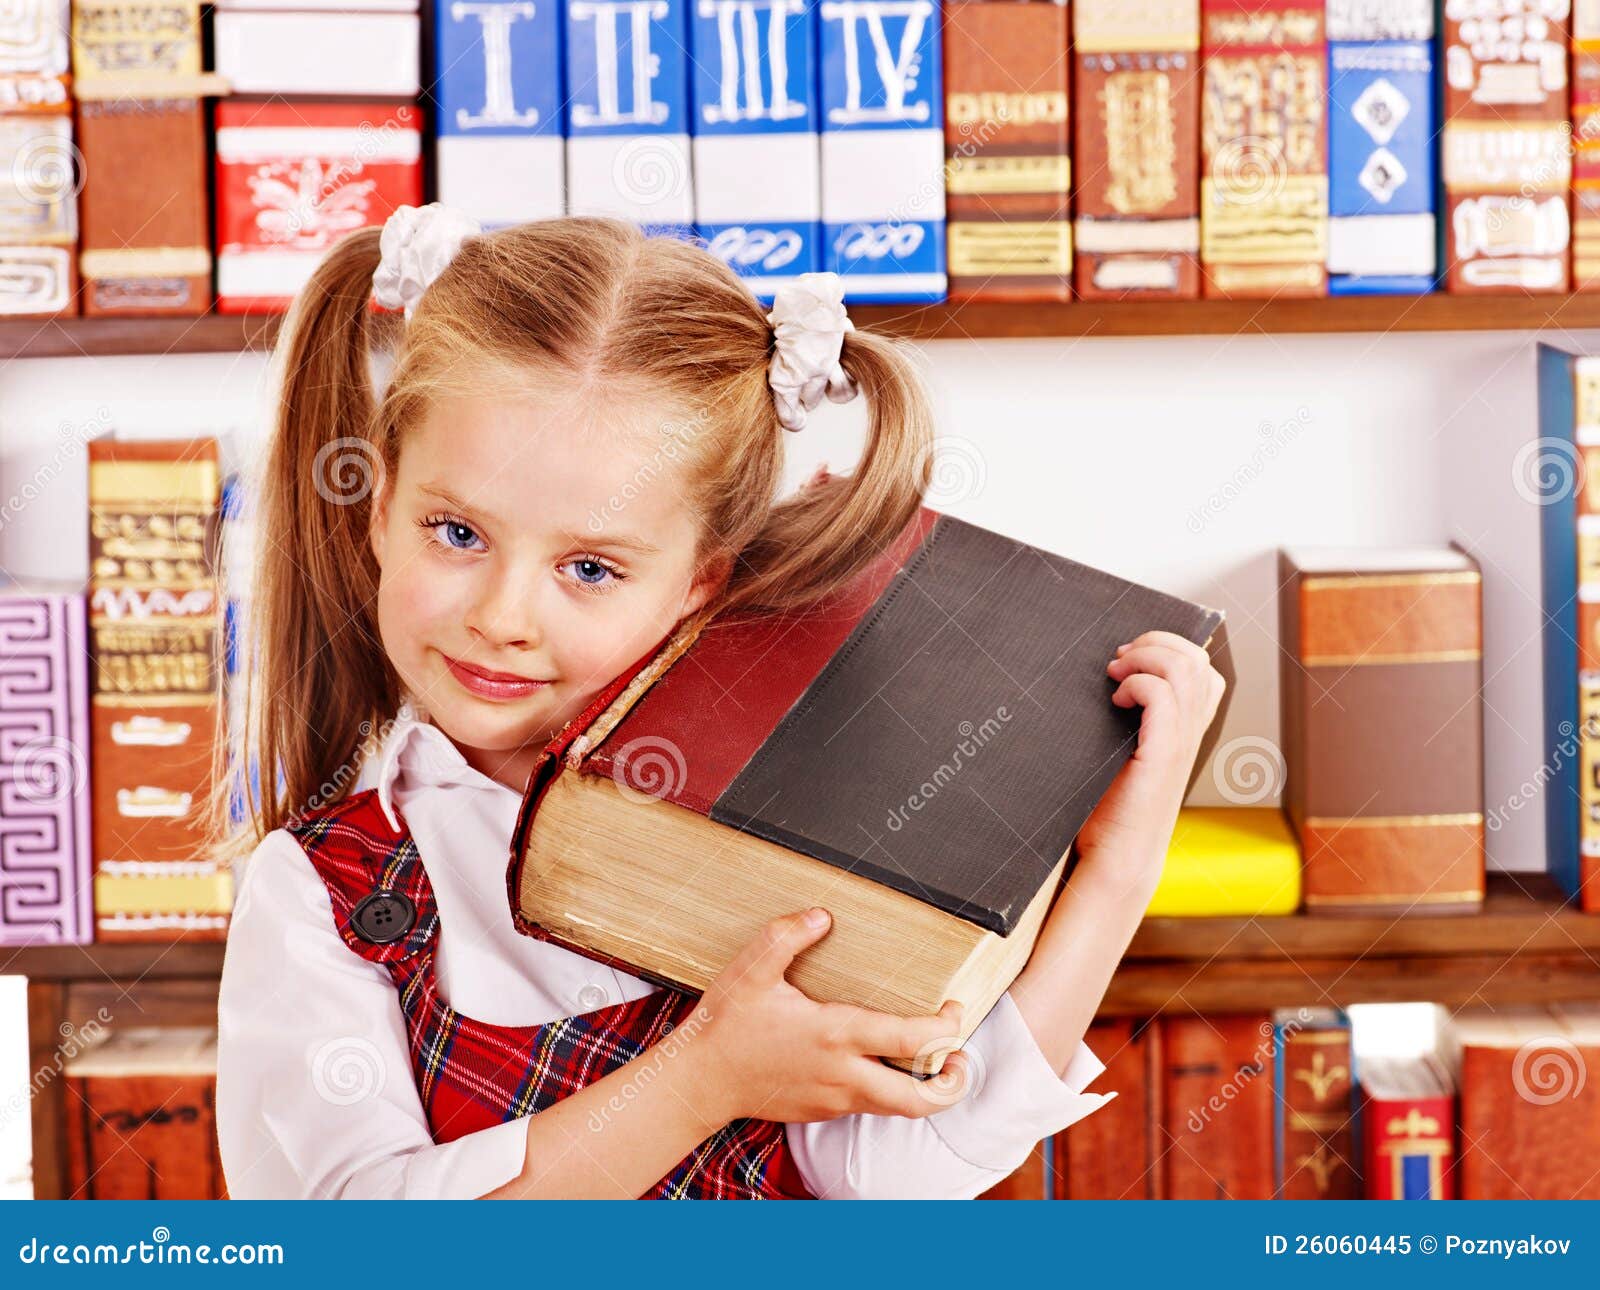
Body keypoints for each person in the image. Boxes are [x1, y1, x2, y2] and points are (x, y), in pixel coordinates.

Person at [213, 205, 1227, 1199]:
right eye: (459, 534)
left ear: (701, 578)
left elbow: (905, 1169)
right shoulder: (321, 895)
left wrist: (1118, 861)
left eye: (591, 568)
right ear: (382, 506)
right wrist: (703, 1079)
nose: (502, 617)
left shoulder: (763, 837)